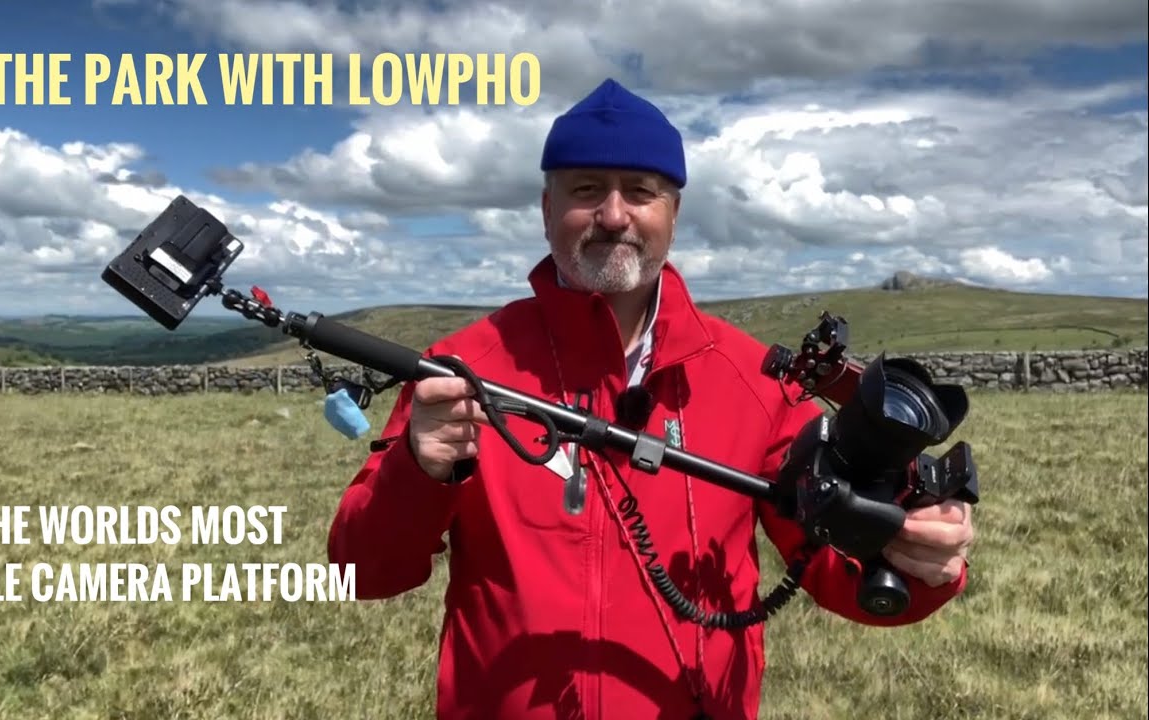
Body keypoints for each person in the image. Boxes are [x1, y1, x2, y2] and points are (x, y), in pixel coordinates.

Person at [327, 78, 975, 720]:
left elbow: (840, 574)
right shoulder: (464, 371)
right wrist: (420, 467)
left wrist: (918, 562)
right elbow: (365, 571)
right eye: (586, 190)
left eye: (641, 192)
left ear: (673, 214)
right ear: (546, 208)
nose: (614, 215)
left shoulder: (756, 382)